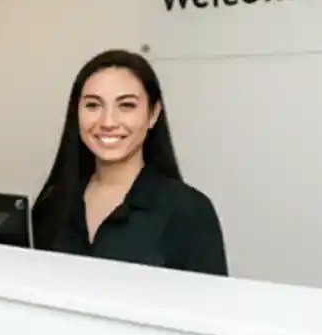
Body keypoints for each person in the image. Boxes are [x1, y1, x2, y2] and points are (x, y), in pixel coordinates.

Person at [33, 49, 228, 276]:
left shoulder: (189, 211)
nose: (107, 122)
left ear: (153, 114)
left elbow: (207, 306)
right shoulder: (53, 203)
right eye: (93, 105)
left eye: (126, 105)